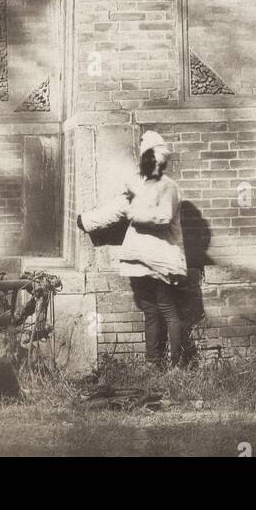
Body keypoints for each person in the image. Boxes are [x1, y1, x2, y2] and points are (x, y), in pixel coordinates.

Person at [77, 130, 187, 367]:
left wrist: (137, 214)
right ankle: (152, 363)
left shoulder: (168, 187)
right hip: (140, 258)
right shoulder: (140, 187)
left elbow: (164, 217)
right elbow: (116, 209)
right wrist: (86, 221)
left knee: (168, 310)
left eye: (152, 159)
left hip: (162, 259)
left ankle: (177, 366)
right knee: (150, 310)